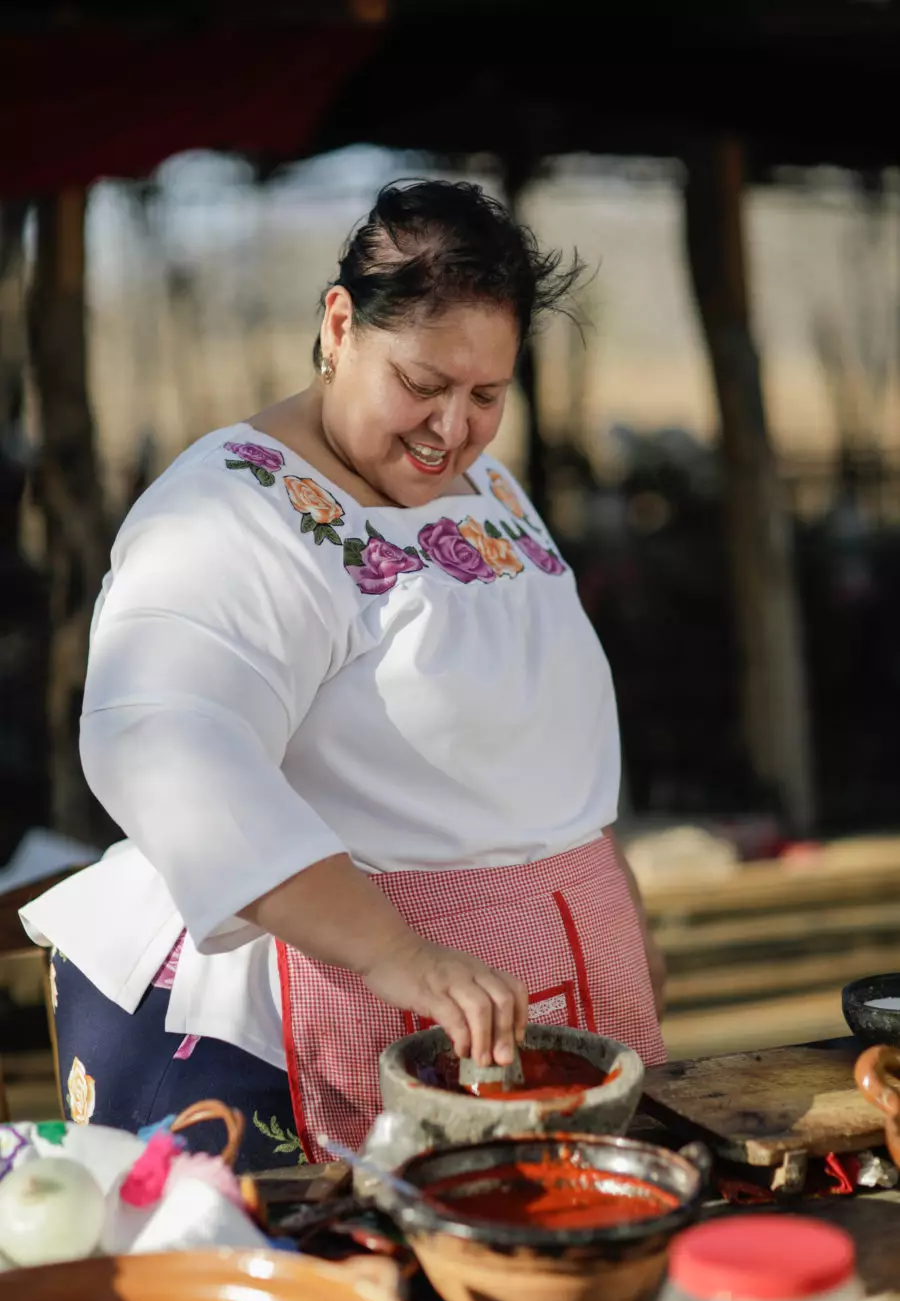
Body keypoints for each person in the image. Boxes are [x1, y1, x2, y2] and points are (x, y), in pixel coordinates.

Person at [21, 180, 666, 1169]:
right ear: (338, 325)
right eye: (422, 384)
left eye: (486, 395)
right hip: (273, 1025)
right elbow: (161, 736)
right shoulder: (230, 511)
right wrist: (396, 953)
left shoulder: (484, 486)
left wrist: (609, 908)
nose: (450, 427)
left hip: (527, 985)